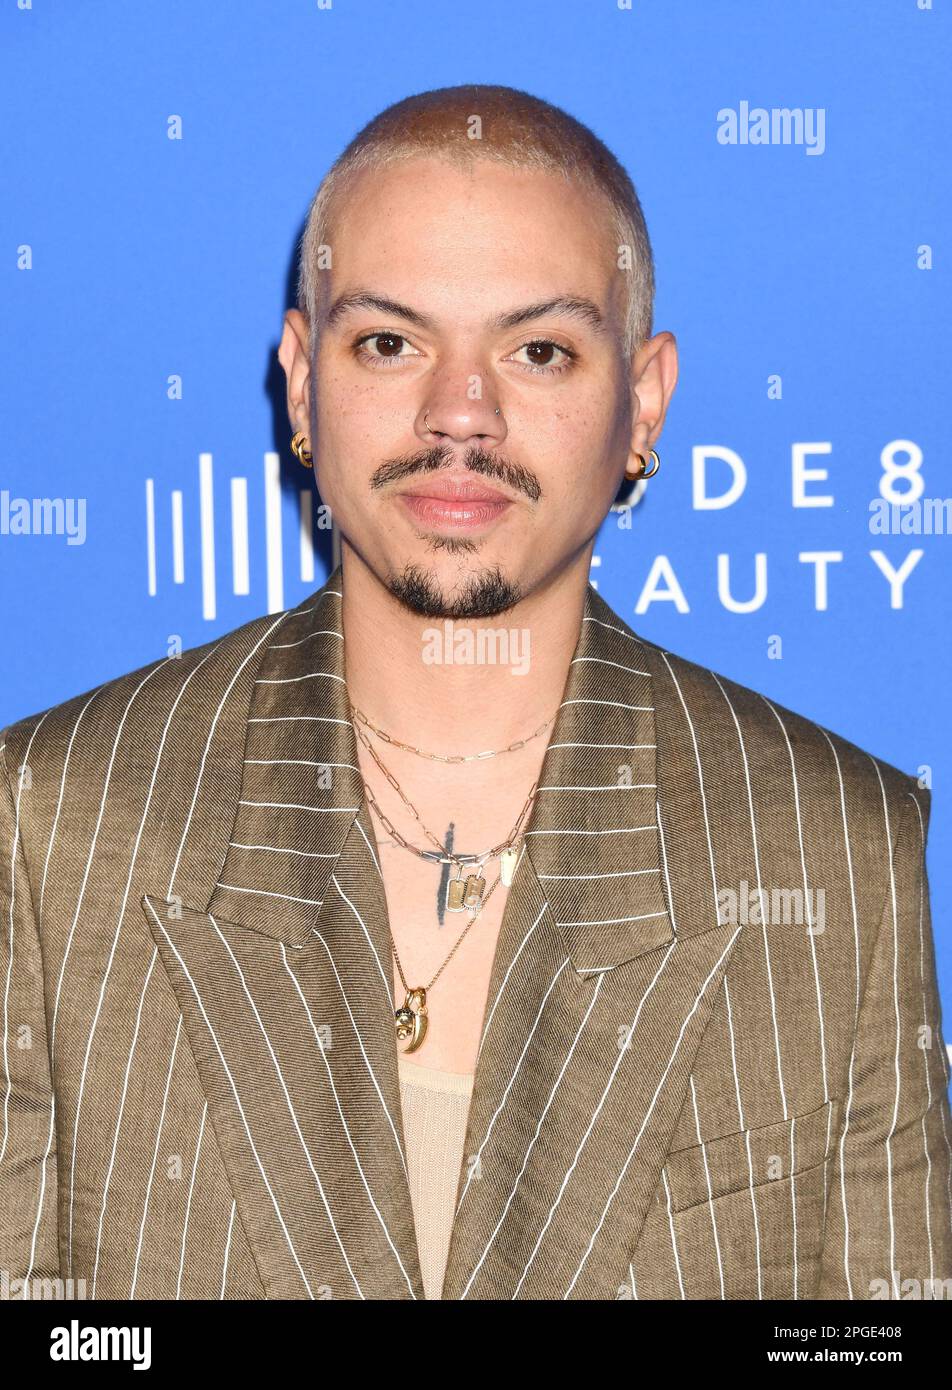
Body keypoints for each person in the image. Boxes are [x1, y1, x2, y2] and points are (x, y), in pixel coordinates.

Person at [1, 84, 949, 1302]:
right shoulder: (50, 827)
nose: (460, 414)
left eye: (537, 348)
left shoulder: (834, 852)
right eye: (389, 342)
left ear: (642, 403)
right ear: (300, 384)